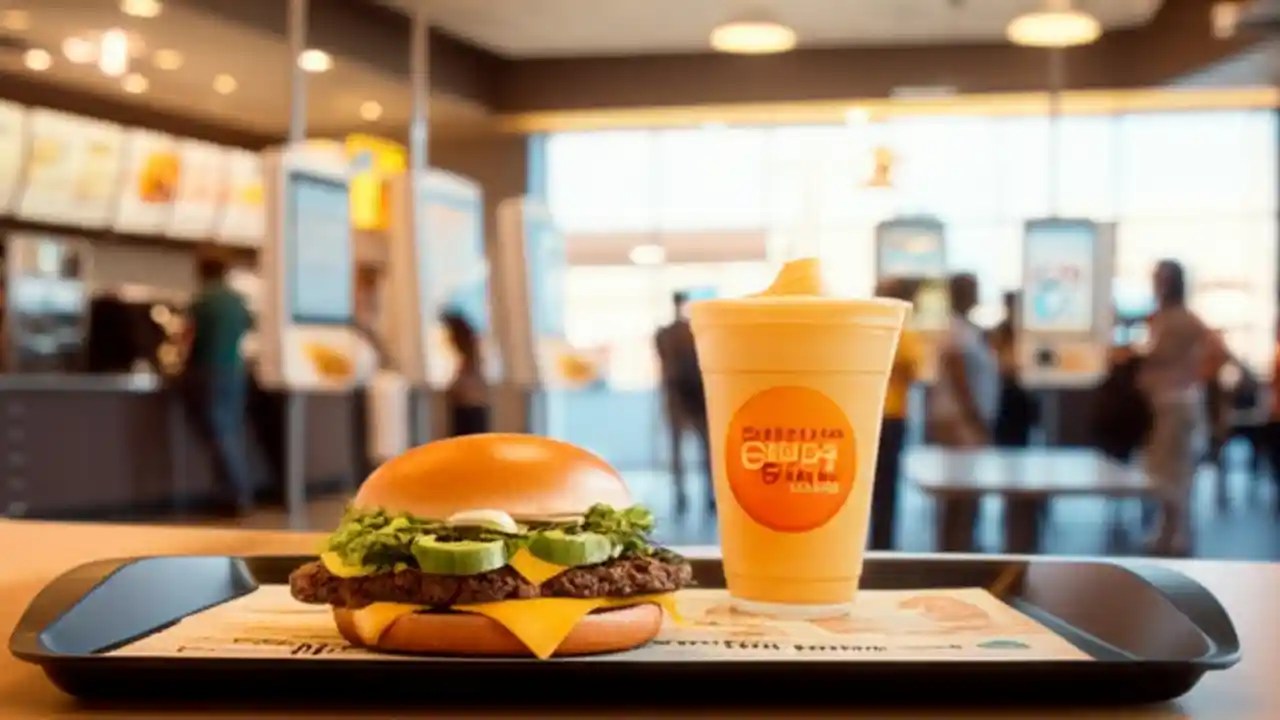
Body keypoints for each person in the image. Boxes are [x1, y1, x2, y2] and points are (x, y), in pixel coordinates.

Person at [1140, 259, 1211, 556]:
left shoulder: (1182, 319)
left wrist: (1187, 378)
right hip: (1165, 404)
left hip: (1176, 405)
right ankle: (1168, 530)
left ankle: (1176, 533)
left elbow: (1217, 349)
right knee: (1164, 470)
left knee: (1174, 472)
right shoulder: (1162, 318)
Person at [927, 273, 999, 552]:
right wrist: (975, 417)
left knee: (967, 490)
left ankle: (962, 543)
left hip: (965, 418)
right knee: (960, 489)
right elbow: (960, 381)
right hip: (960, 421)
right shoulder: (954, 330)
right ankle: (954, 547)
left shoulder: (968, 329)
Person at [182, 255, 255, 515]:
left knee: (219, 433)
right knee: (231, 430)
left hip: (208, 371)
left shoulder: (202, 301)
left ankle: (234, 493)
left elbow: (188, 338)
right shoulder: (237, 300)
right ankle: (231, 492)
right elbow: (249, 327)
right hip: (235, 371)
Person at [870, 278, 921, 550]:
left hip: (870, 414)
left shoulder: (867, 330)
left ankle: (873, 541)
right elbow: (916, 368)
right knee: (886, 486)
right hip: (891, 415)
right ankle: (883, 542)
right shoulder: (902, 331)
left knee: (867, 482)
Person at [654, 291, 711, 515]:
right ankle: (685, 495)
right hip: (683, 397)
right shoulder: (680, 333)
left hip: (688, 397)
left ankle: (696, 496)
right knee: (684, 450)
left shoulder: (673, 334)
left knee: (697, 450)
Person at [929, 274, 999, 448]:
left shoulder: (968, 328)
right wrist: (972, 415)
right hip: (959, 417)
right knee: (963, 471)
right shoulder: (955, 329)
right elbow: (957, 375)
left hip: (968, 415)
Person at [990, 291, 1037, 447]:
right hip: (1005, 389)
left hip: (1021, 390)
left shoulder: (1026, 330)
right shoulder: (1000, 331)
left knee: (1021, 436)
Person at [442, 311, 490, 436]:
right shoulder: (470, 358)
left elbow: (467, 388)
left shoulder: (472, 358)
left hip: (470, 410)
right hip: (471, 408)